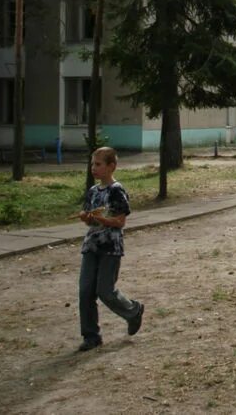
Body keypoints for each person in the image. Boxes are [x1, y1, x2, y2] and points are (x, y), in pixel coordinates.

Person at [77, 147, 144, 352]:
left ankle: (133, 310)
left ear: (111, 166)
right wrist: (87, 219)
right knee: (85, 291)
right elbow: (91, 224)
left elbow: (120, 222)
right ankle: (91, 336)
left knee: (105, 291)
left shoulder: (116, 190)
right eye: (92, 164)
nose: (93, 168)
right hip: (91, 246)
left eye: (98, 164)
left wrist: (100, 219)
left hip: (110, 248)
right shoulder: (93, 192)